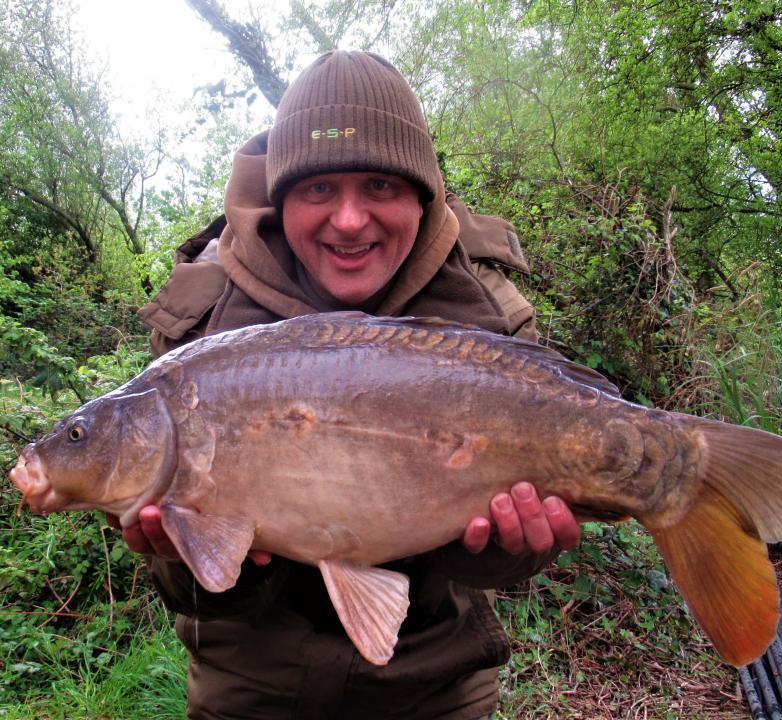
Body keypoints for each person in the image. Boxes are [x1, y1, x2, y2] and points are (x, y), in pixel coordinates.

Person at [115, 50, 581, 720]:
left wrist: (505, 553)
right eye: (318, 189)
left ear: (421, 194)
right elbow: (198, 591)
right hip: (251, 683)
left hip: (437, 677)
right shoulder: (201, 319)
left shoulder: (488, 313)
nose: (350, 220)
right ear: (282, 198)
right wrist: (185, 555)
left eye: (381, 187)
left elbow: (504, 566)